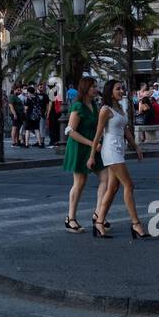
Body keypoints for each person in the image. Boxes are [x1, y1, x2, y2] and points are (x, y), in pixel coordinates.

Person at [90, 79, 148, 239]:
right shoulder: (105, 110)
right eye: (118, 89)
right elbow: (98, 134)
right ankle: (136, 224)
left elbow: (125, 129)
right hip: (110, 149)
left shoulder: (120, 108)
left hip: (118, 148)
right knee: (128, 185)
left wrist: (136, 146)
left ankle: (99, 222)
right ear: (110, 92)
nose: (122, 91)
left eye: (122, 89)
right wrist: (91, 156)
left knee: (113, 188)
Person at [62, 77, 101, 233]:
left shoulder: (94, 105)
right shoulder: (78, 106)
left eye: (96, 86)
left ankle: (99, 214)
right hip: (80, 147)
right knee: (79, 183)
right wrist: (92, 143)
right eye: (93, 86)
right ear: (85, 88)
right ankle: (70, 218)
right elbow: (70, 131)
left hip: (93, 147)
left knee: (106, 179)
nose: (96, 89)